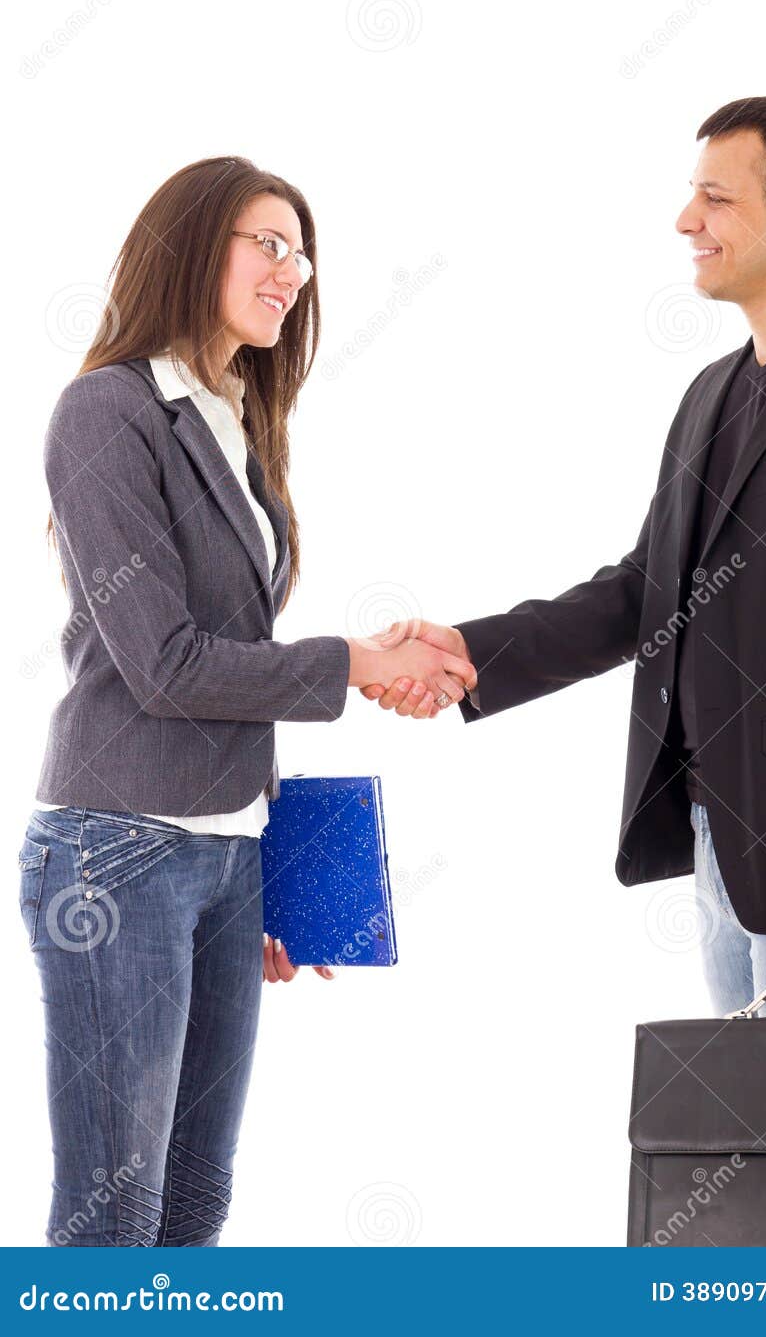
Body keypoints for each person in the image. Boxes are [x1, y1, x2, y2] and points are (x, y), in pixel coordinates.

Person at [362, 92, 766, 1018]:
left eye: (716, 199)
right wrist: (467, 651)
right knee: (757, 1157)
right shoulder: (712, 392)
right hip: (727, 857)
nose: (685, 220)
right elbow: (647, 592)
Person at [20, 155, 476, 1246]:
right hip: (115, 851)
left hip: (224, 856)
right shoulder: (106, 410)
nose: (292, 271)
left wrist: (260, 850)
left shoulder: (236, 418)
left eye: (299, 251)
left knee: (193, 1204)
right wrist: (356, 662)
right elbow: (167, 663)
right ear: (188, 249)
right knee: (113, 1216)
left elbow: (236, 650)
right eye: (265, 243)